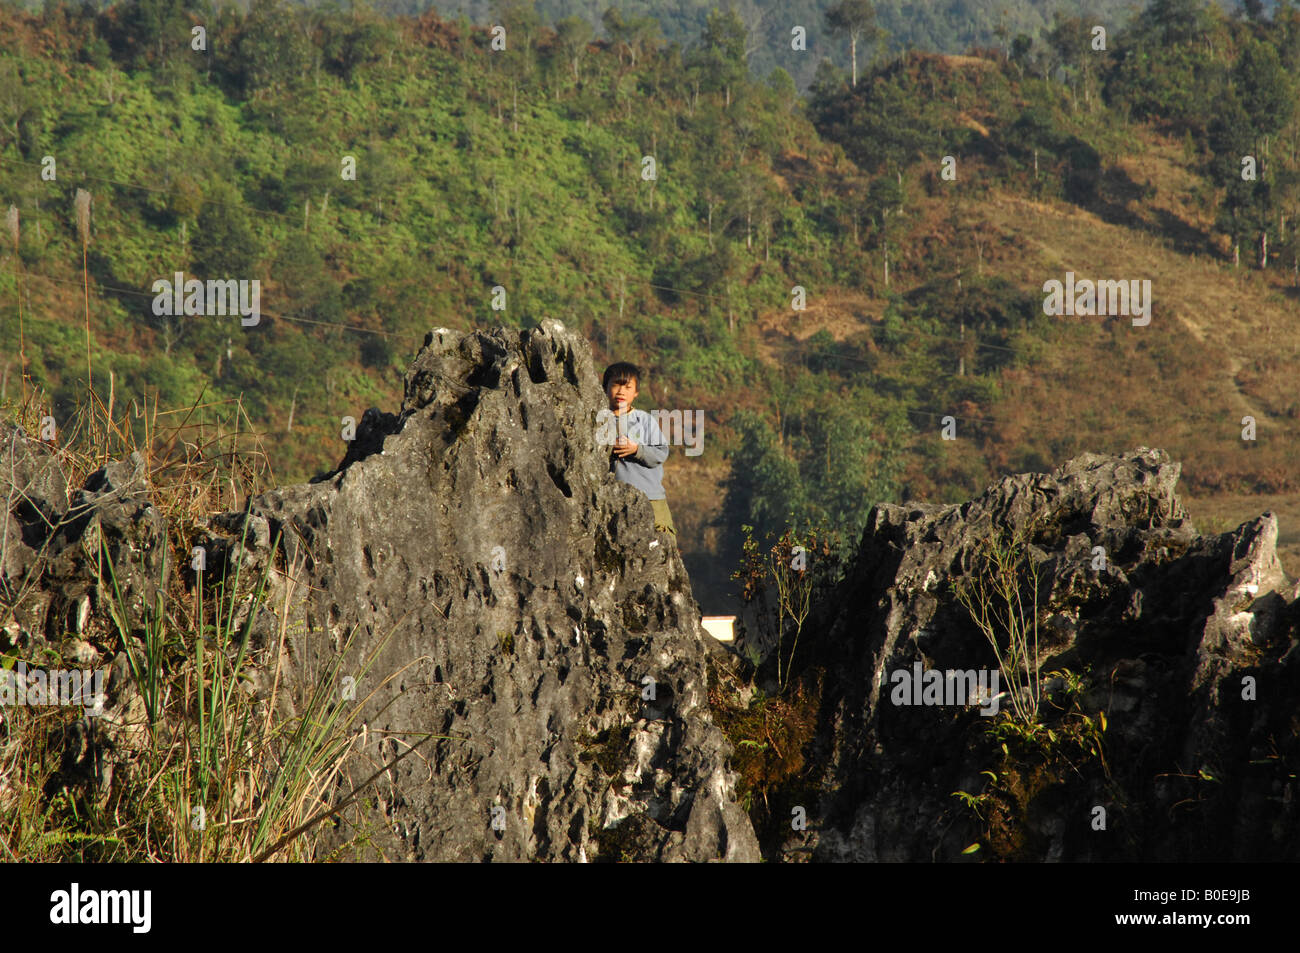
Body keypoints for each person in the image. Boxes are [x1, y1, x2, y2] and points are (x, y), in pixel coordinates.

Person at [601, 361, 676, 537]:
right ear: (605, 388)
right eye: (615, 385)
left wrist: (637, 450)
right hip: (614, 499)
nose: (621, 392)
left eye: (627, 387)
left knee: (660, 550)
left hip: (651, 498)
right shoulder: (598, 419)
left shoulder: (644, 420)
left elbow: (660, 453)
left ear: (636, 393)